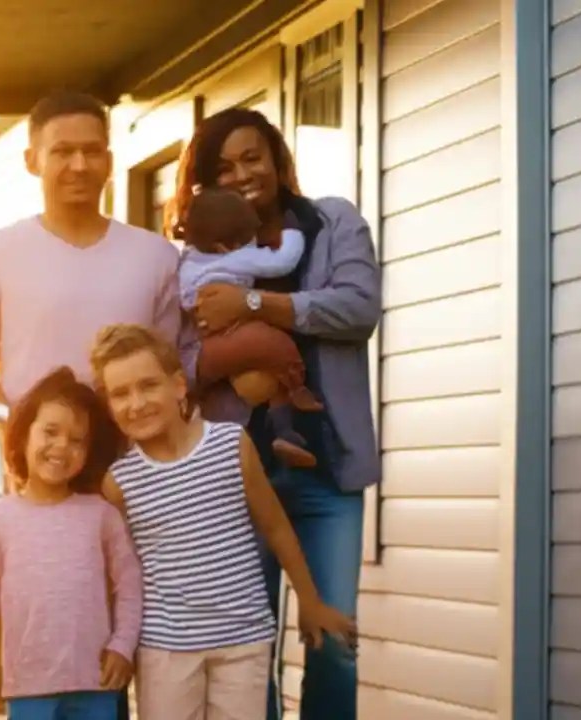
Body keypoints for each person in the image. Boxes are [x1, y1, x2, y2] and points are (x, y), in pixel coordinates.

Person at [169, 107, 382, 719]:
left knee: (335, 641)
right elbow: (176, 363)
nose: (242, 175)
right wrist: (225, 355)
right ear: (204, 184)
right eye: (224, 167)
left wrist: (256, 304)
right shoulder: (189, 258)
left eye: (252, 158)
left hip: (327, 472)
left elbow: (358, 308)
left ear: (277, 159)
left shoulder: (332, 222)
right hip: (233, 476)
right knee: (246, 647)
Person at [88, 323, 356, 720]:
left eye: (148, 385)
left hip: (243, 640)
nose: (136, 402)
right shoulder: (119, 482)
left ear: (178, 385)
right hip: (166, 648)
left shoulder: (230, 444)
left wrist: (310, 601)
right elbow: (116, 574)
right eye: (120, 394)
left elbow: (276, 526)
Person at [0, 91, 191, 411]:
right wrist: (13, 426)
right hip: (37, 459)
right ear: (32, 161)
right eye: (62, 152)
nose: (79, 165)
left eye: (92, 151)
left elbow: (174, 363)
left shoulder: (156, 255)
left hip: (138, 456)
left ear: (110, 161)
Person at [0, 368, 143, 720]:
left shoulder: (101, 515)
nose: (61, 447)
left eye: (77, 440)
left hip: (96, 683)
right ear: (24, 434)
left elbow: (130, 587)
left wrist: (123, 646)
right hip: (29, 687)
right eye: (50, 432)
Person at [177, 186, 322, 468]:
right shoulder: (238, 257)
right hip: (235, 327)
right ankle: (296, 390)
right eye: (249, 239)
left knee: (251, 383)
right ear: (225, 247)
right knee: (277, 346)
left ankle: (283, 435)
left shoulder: (188, 260)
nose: (255, 243)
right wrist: (293, 230)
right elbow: (283, 261)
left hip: (205, 336)